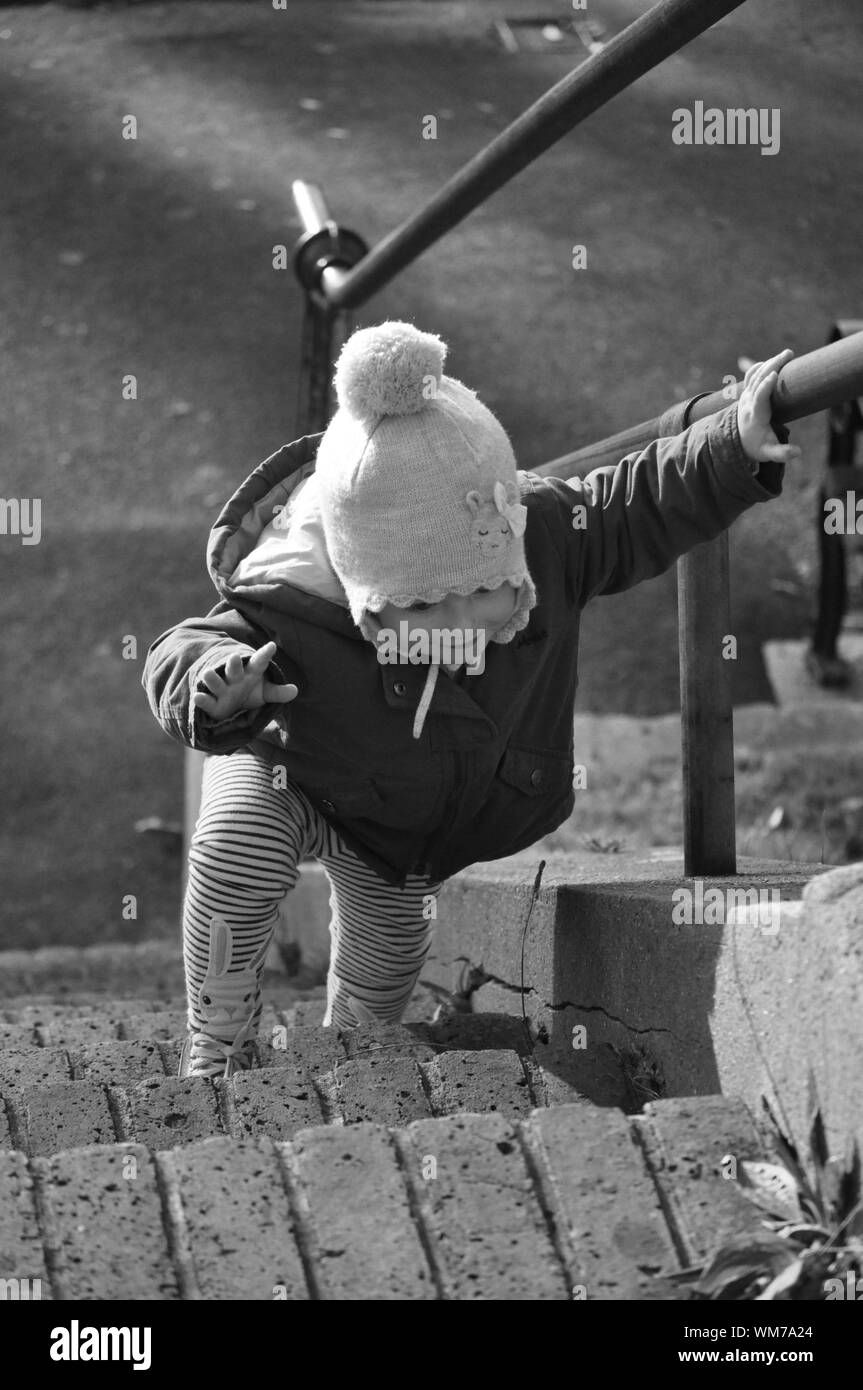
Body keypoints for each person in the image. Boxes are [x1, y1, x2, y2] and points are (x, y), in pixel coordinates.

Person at [142, 321, 800, 1078]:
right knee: (234, 846)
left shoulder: (548, 530)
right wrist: (217, 686)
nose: (478, 620)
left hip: (398, 829)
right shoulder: (292, 592)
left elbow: (638, 501)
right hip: (294, 766)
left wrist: (729, 446)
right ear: (362, 587)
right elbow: (180, 647)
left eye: (495, 586)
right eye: (432, 605)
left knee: (385, 963)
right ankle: (219, 1041)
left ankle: (352, 1055)